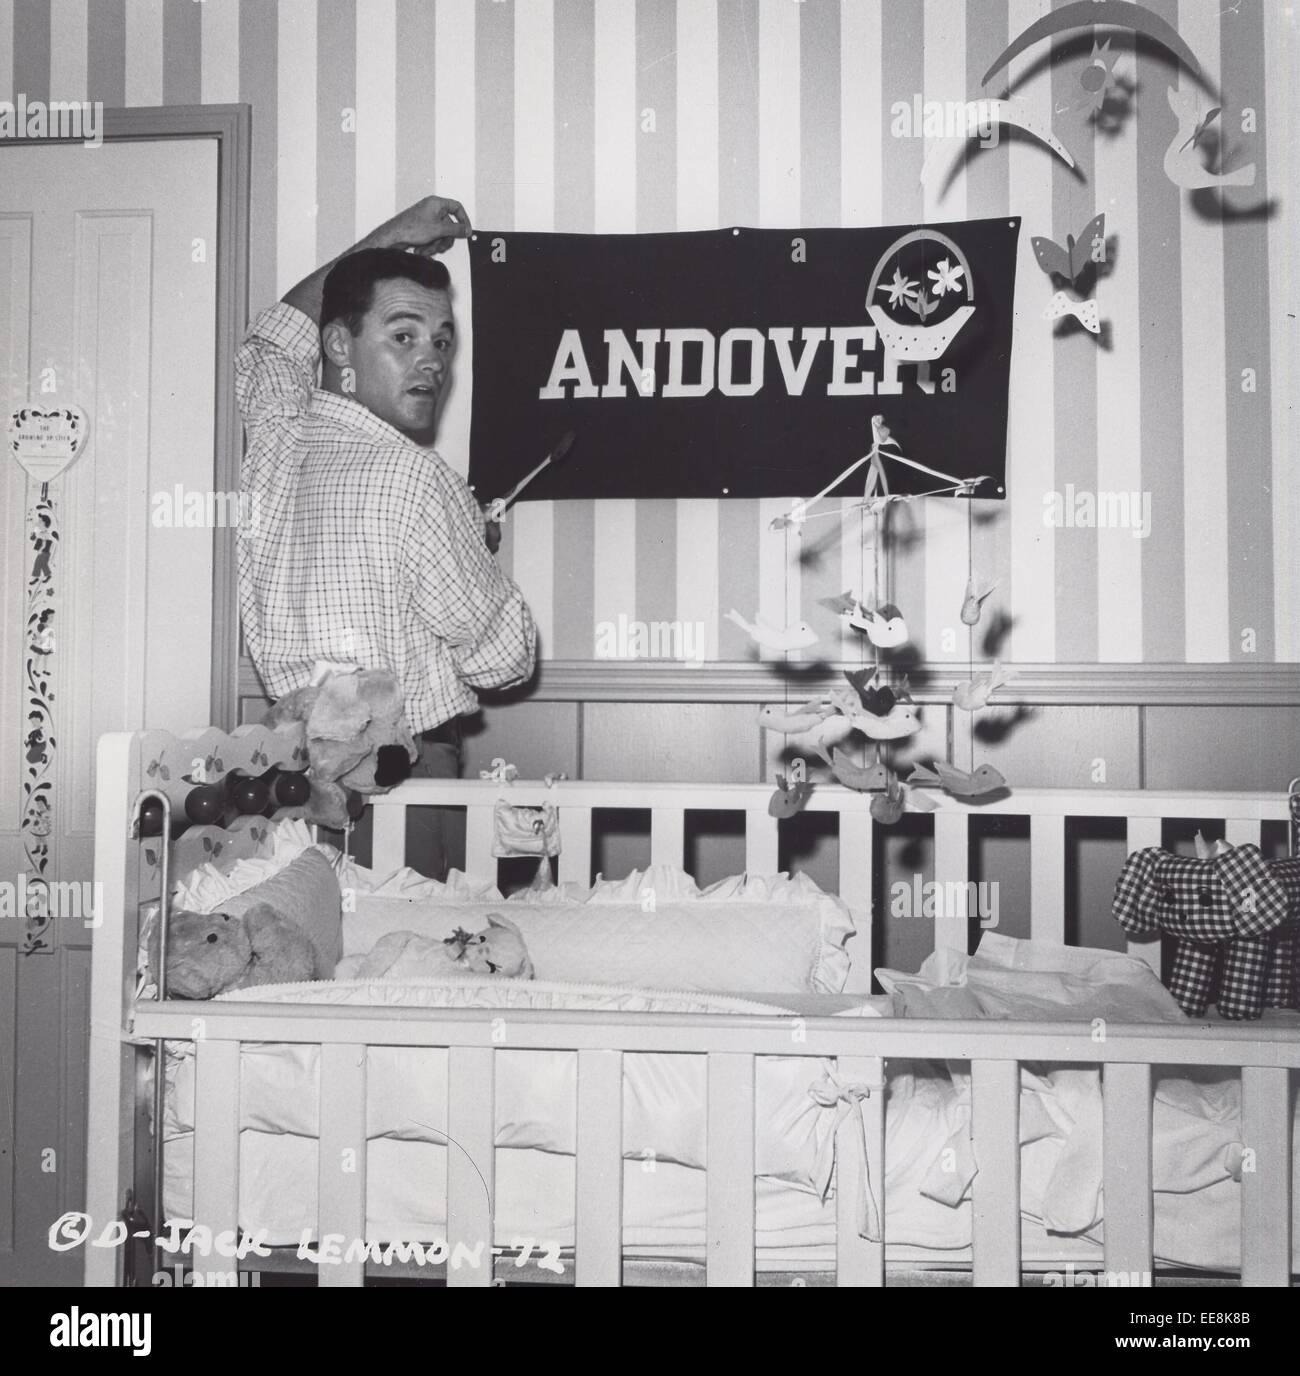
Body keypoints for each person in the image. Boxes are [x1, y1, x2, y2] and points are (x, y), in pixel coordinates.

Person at [235, 196, 536, 877]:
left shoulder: (279, 434)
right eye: (402, 336)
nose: (430, 361)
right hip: (404, 773)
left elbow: (273, 336)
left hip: (286, 769)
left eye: (441, 341)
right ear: (339, 346)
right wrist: (471, 557)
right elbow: (504, 660)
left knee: (314, 965)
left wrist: (389, 239)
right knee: (415, 963)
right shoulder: (421, 479)